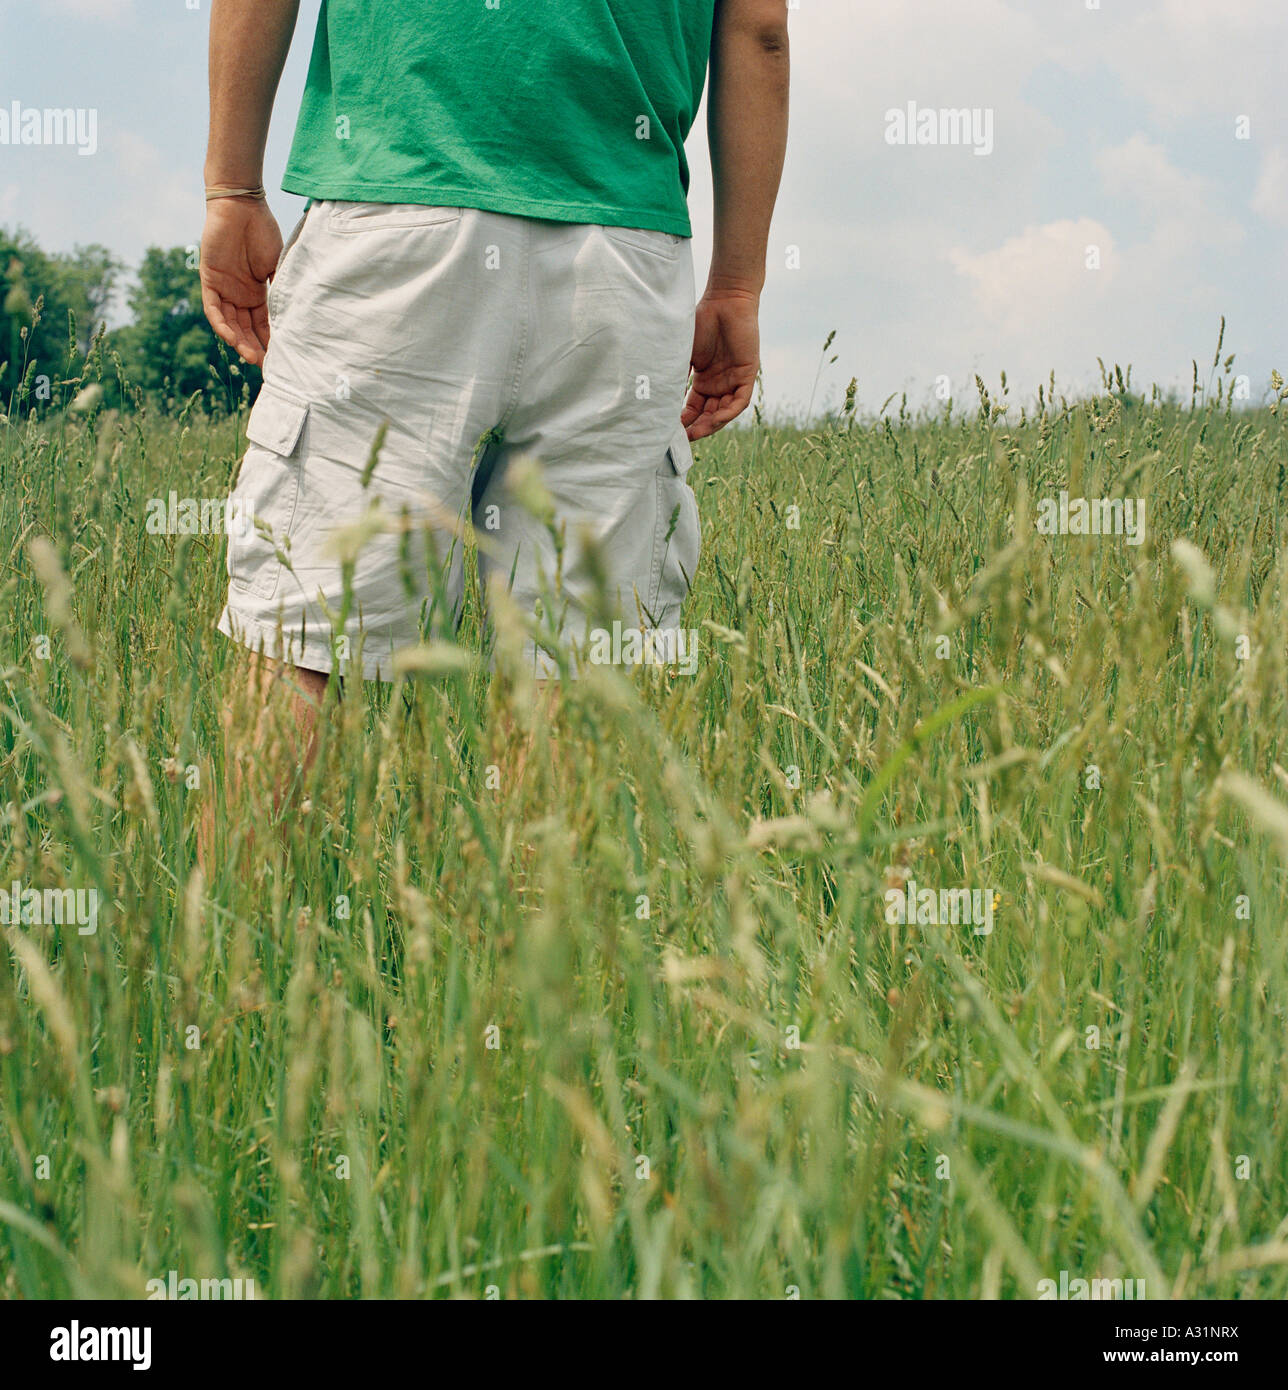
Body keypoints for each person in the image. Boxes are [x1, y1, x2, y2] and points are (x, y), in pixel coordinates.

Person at [199, 0, 789, 790]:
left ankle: (246, 912)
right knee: (573, 666)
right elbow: (760, 28)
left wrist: (233, 188)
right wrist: (738, 284)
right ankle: (530, 914)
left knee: (310, 638)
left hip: (397, 201)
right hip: (622, 245)